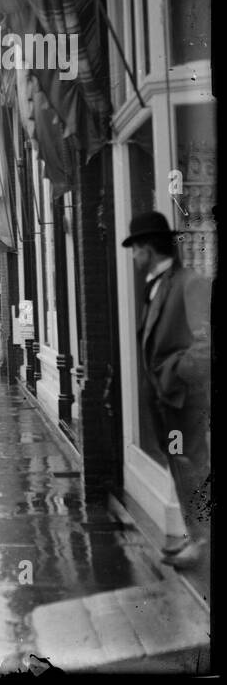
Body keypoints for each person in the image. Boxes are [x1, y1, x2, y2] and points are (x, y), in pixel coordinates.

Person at [123, 211, 211, 571]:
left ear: (148, 248)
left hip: (184, 403)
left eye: (135, 249)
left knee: (193, 467)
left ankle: (203, 541)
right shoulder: (155, 285)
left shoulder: (188, 284)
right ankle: (196, 537)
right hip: (166, 405)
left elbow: (205, 347)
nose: (133, 257)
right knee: (181, 467)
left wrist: (172, 376)